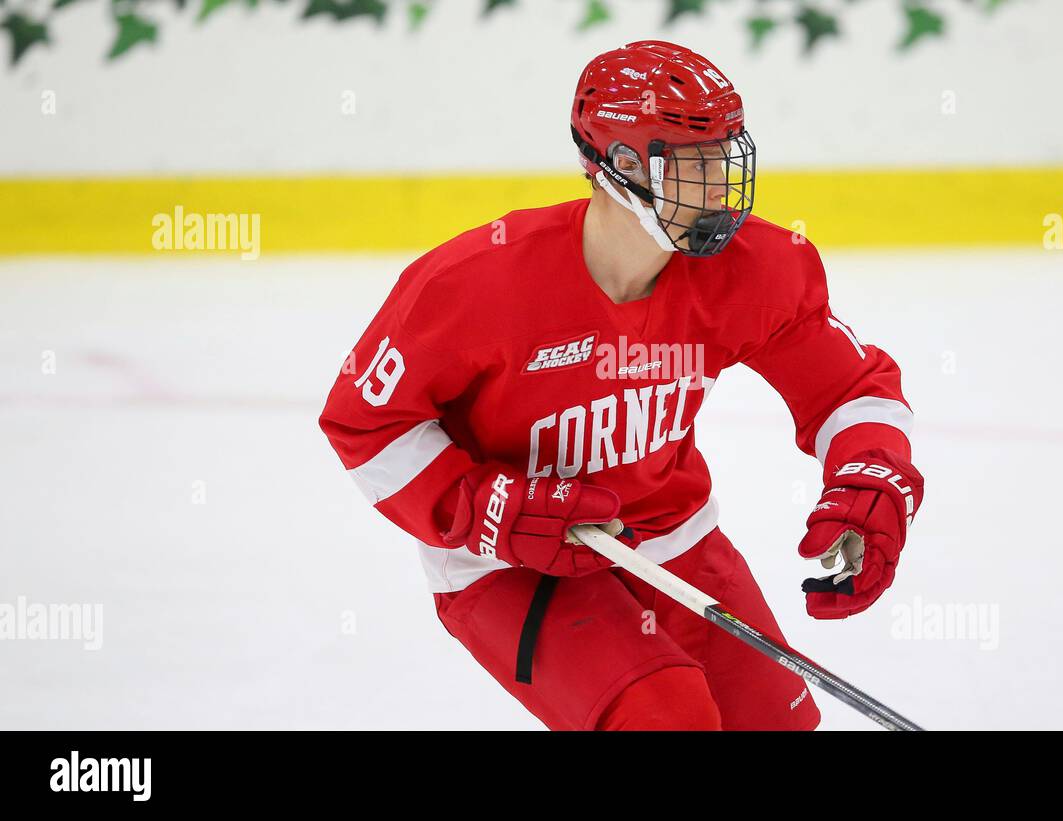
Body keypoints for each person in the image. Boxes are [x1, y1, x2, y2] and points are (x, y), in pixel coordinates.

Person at [319, 40, 923, 730]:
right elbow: (364, 423)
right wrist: (492, 508)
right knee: (664, 718)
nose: (721, 187)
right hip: (508, 563)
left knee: (773, 724)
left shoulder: (753, 269)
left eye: (725, 158)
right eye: (696, 165)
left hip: (671, 535)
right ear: (621, 166)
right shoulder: (474, 286)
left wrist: (869, 480)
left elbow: (850, 388)